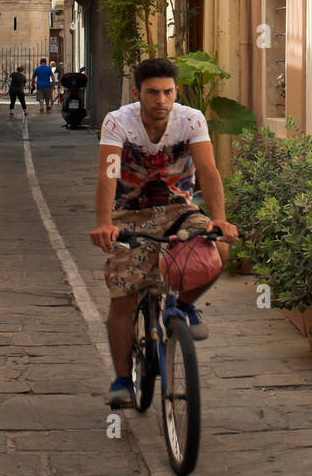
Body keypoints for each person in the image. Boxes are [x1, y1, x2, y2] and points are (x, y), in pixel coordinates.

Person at [92, 56, 238, 409]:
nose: (161, 100)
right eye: (153, 92)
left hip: (178, 209)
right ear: (137, 93)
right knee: (124, 296)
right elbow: (108, 174)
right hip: (130, 213)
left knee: (218, 251)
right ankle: (123, 379)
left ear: (176, 93)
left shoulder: (190, 119)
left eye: (168, 93)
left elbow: (208, 169)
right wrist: (104, 223)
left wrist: (218, 218)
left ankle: (184, 307)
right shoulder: (117, 123)